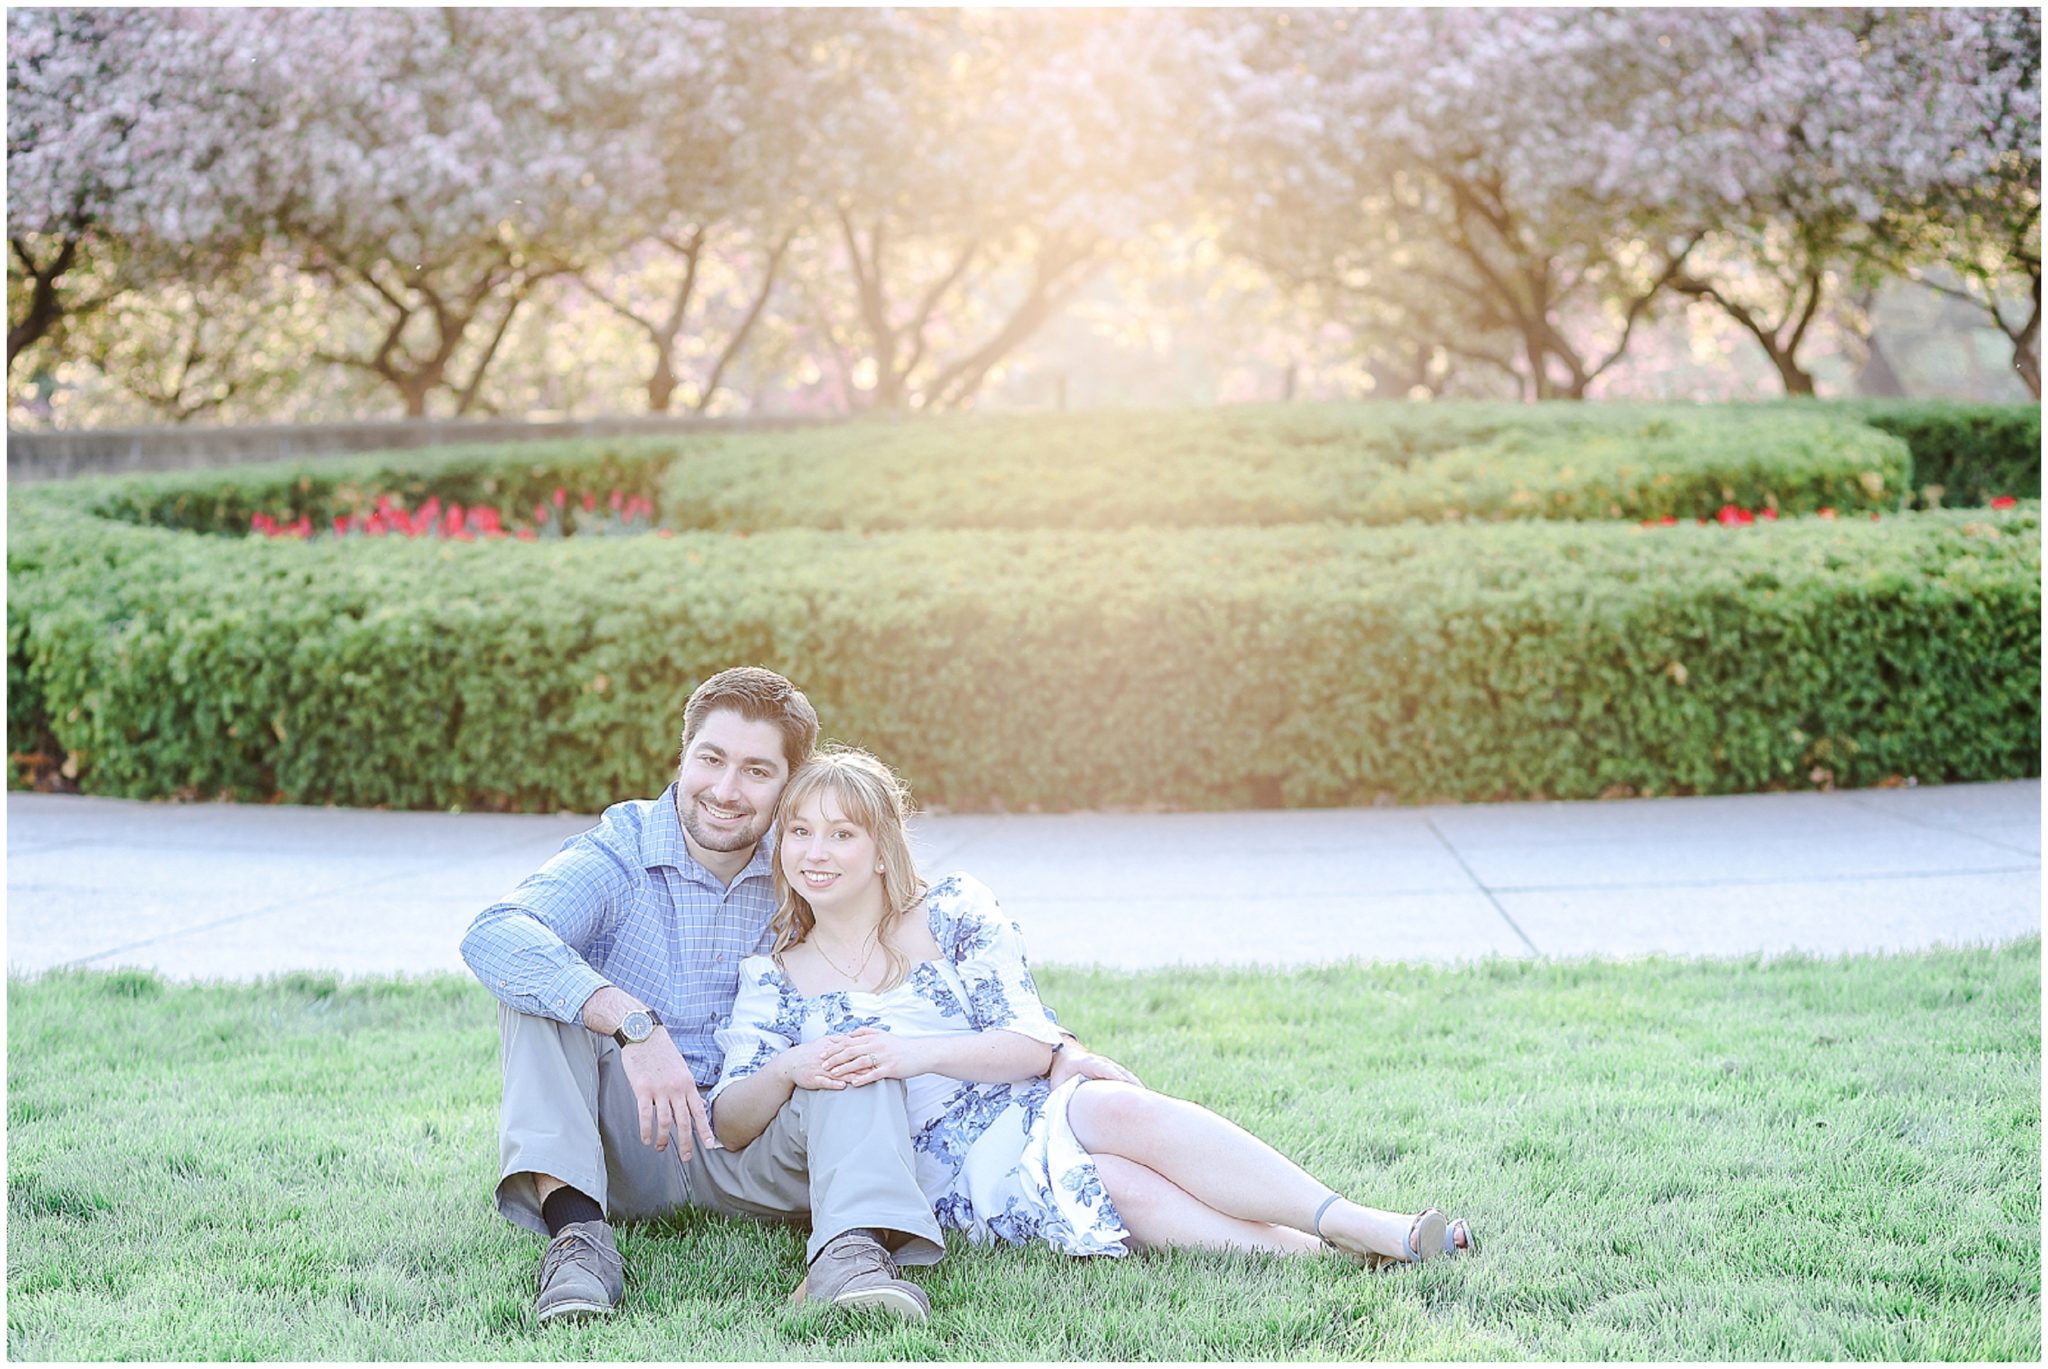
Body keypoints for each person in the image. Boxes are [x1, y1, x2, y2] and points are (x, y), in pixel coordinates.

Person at [459, 666, 1139, 1325]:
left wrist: (1058, 1048)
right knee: (538, 988)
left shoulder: (807, 859)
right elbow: (495, 931)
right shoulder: (622, 849)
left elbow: (931, 946)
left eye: (757, 770)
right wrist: (634, 1023)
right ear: (683, 756)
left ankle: (852, 1253)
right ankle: (578, 1241)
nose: (726, 789)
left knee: (847, 1051)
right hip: (627, 1135)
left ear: (790, 784)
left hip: (760, 1146)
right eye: (711, 759)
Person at [711, 746, 1478, 1271]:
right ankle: (1336, 1256)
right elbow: (731, 1122)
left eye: (841, 833)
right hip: (944, 1172)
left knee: (1112, 1105)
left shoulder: (951, 911)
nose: (816, 851)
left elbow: (1028, 1041)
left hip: (1020, 1106)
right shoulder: (775, 979)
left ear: (881, 848)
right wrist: (789, 1066)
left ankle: (1358, 1222)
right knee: (1118, 1186)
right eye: (800, 832)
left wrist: (910, 1052)